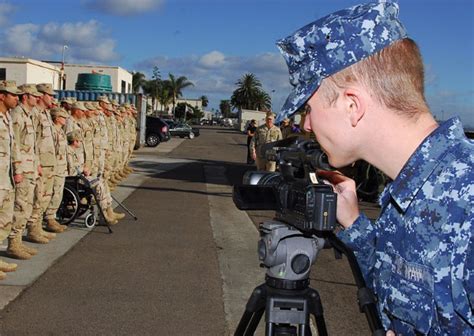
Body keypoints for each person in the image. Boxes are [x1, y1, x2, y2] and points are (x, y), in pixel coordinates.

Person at [276, 1, 473, 335]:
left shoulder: (466, 203)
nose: (306, 124)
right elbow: (399, 286)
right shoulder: (411, 194)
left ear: (352, 105)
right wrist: (353, 222)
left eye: (309, 108)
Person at [0, 80, 23, 275]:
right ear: (2, 95)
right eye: (13, 95)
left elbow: (12, 147)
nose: (17, 98)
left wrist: (17, 168)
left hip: (6, 177)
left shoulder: (6, 117)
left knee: (5, 218)